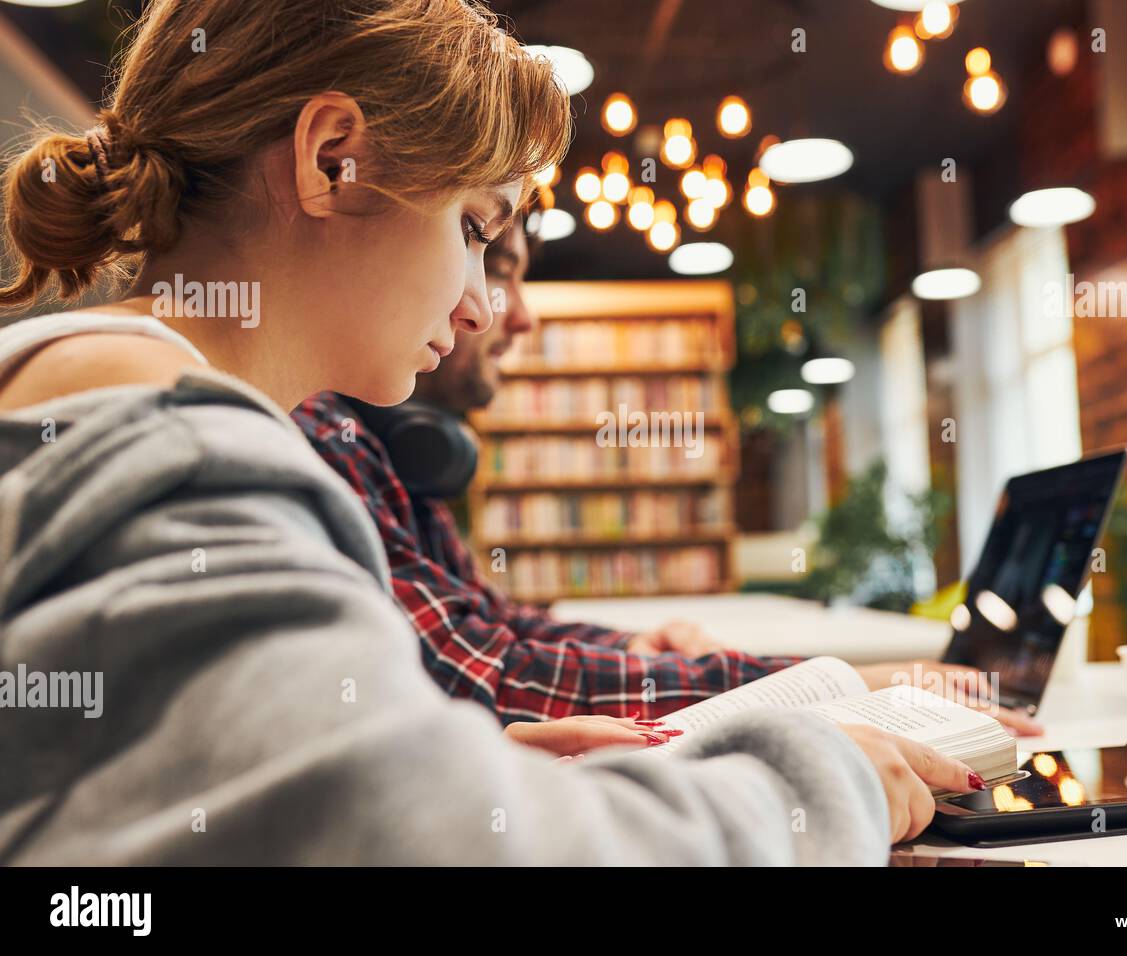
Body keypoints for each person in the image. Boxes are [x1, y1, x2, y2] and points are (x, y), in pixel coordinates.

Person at [0, 0, 978, 865]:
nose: (479, 303)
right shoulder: (177, 450)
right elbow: (414, 841)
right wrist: (812, 785)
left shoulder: (88, 397)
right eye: (474, 226)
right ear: (332, 157)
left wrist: (470, 762)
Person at [294, 215, 1043, 754]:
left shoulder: (379, 451)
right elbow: (488, 675)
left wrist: (641, 650)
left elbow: (491, 628)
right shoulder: (320, 437)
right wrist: (830, 686)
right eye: (488, 255)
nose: (506, 312)